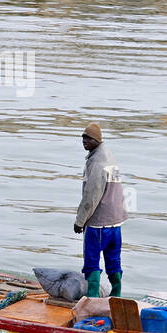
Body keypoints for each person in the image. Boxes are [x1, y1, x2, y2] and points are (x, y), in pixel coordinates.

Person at [73, 123, 127, 298]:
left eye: (88, 138)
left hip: (99, 224)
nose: (84, 142)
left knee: (92, 262)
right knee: (113, 260)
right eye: (83, 138)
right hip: (116, 222)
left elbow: (91, 196)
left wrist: (80, 221)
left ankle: (92, 300)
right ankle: (116, 296)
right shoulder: (109, 157)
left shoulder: (96, 162)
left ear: (96, 140)